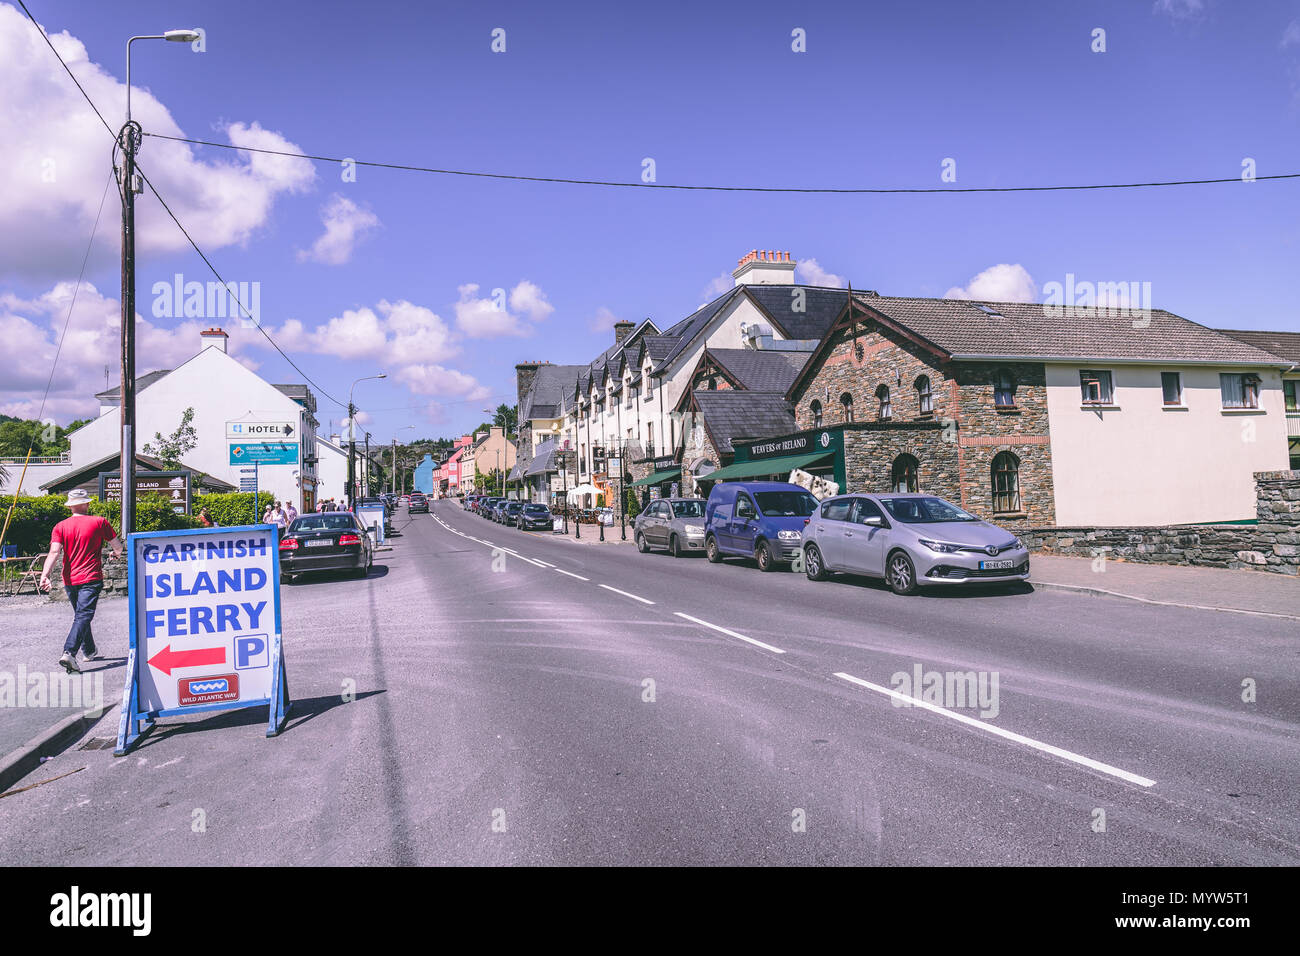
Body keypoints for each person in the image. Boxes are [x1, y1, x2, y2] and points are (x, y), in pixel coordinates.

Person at [40, 489, 122, 674]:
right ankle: (69, 652)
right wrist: (114, 554)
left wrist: (45, 575)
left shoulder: (60, 526)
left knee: (81, 614)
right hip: (91, 577)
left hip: (69, 579)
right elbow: (117, 546)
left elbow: (54, 552)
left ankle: (89, 650)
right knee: (83, 615)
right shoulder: (99, 522)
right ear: (87, 504)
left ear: (70, 507)